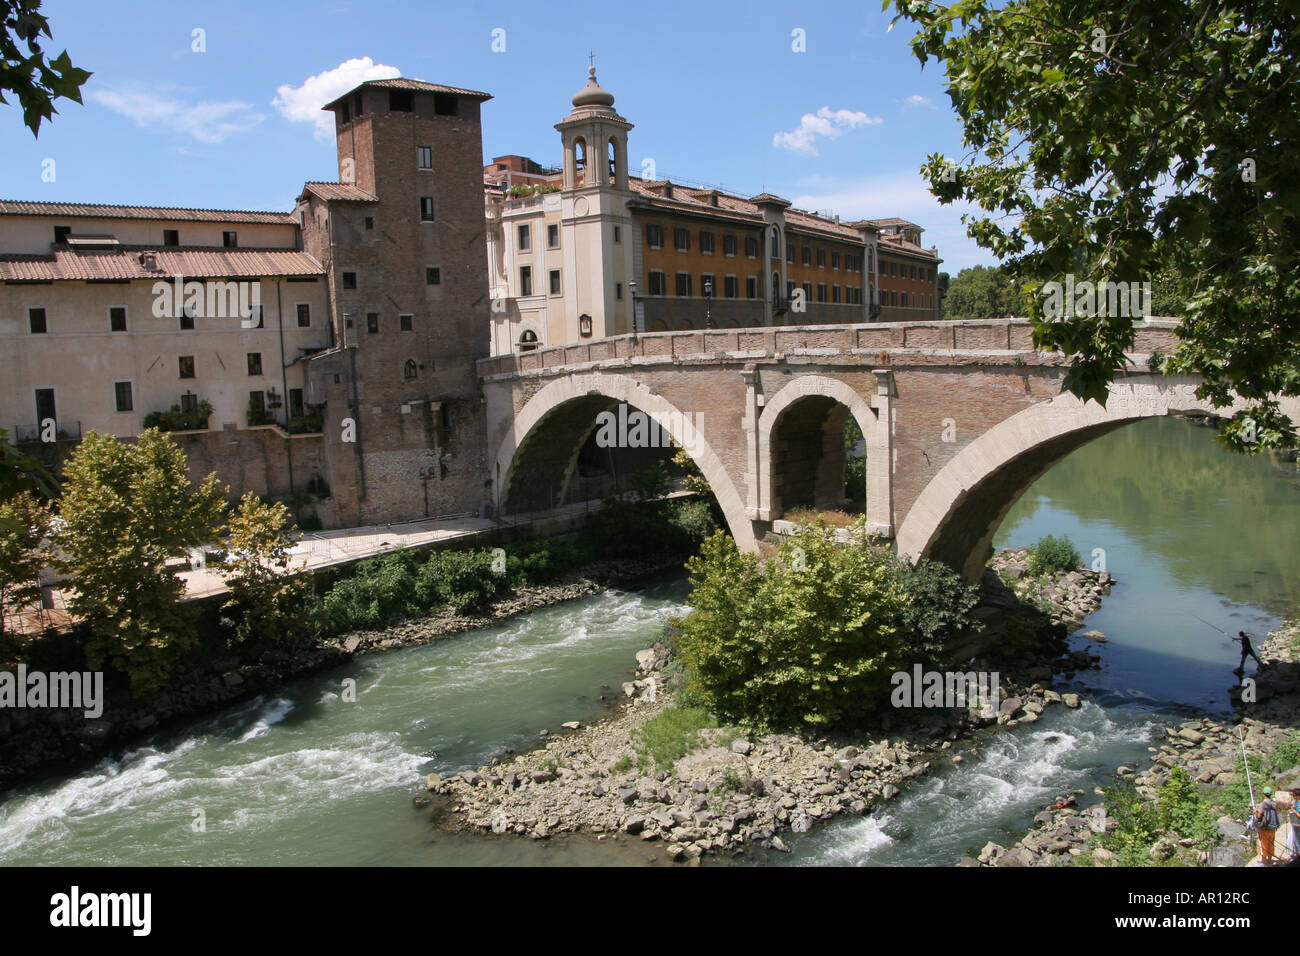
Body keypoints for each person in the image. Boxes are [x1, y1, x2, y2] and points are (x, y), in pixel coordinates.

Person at [1253, 787, 1280, 865]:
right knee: (1271, 844)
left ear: (1263, 794)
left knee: (1263, 844)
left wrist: (1255, 811)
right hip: (1273, 827)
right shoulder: (1274, 803)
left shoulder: (1263, 804)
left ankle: (1264, 862)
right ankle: (1270, 860)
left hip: (1265, 828)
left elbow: (1259, 816)